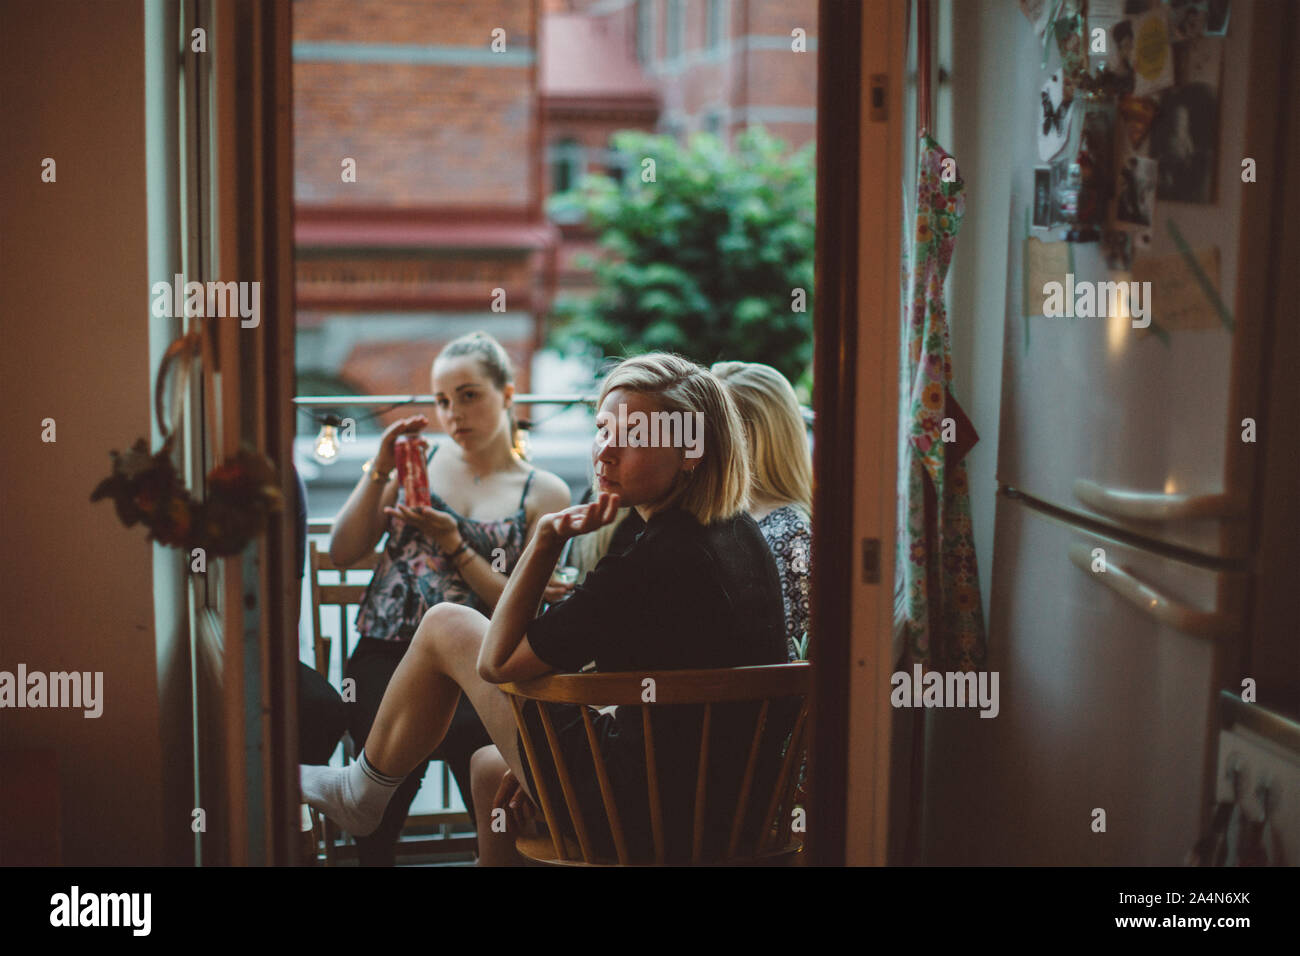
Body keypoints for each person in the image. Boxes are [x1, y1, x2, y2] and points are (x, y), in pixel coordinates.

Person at [302, 353, 789, 863]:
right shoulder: (739, 533)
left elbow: (497, 662)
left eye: (636, 437)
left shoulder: (650, 561)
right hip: (735, 811)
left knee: (448, 622)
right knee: (493, 769)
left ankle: (362, 793)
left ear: (693, 451)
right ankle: (365, 792)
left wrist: (544, 540)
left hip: (648, 817)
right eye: (604, 429)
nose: (606, 453)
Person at [326, 331, 572, 865]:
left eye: (468, 395)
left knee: (488, 758)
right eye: (441, 400)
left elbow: (524, 607)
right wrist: (381, 468)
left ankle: (497, 856)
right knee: (384, 760)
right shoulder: (419, 466)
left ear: (507, 395)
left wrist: (453, 544)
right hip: (388, 650)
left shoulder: (542, 491)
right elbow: (344, 550)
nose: (452, 413)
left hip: (480, 663)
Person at [712, 361, 813, 661]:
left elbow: (794, 659)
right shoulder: (726, 517)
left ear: (743, 438)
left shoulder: (790, 535)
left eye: (709, 428)